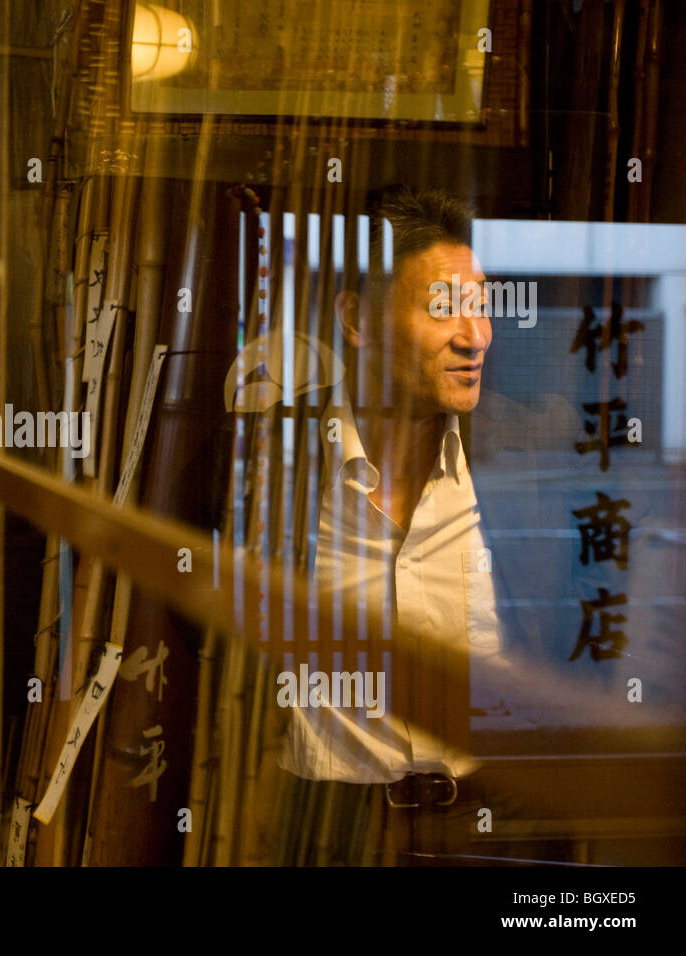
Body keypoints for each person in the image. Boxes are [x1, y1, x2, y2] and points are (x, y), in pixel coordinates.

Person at [271, 185, 511, 865]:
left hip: (489, 833)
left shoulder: (524, 459)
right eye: (444, 307)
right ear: (357, 318)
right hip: (321, 834)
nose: (476, 336)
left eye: (482, 306)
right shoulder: (269, 458)